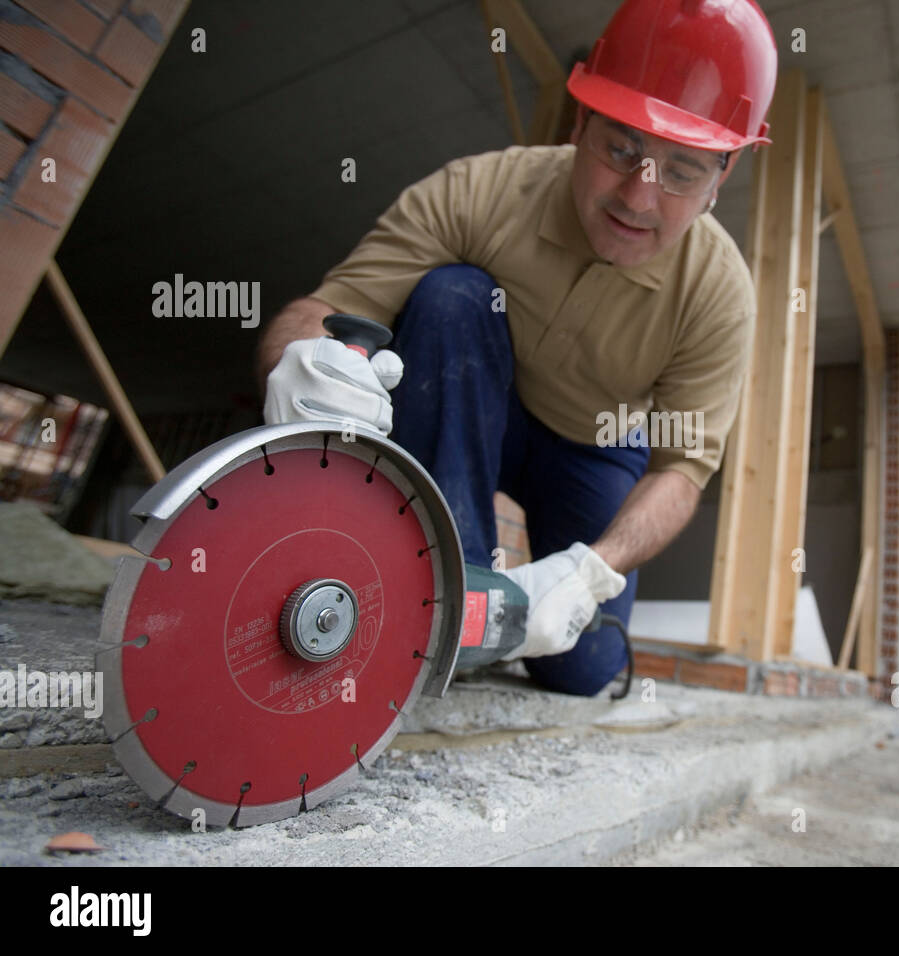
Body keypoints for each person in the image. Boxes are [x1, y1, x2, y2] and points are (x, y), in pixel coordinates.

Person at [257, 0, 778, 696]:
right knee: (450, 296)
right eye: (621, 147)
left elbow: (682, 469)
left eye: (682, 171)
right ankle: (447, 595)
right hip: (477, 401)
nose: (639, 198)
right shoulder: (482, 190)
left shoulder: (719, 292)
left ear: (723, 178)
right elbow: (322, 311)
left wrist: (590, 570)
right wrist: (299, 361)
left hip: (596, 444)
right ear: (580, 122)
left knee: (582, 670)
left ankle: (524, 617)